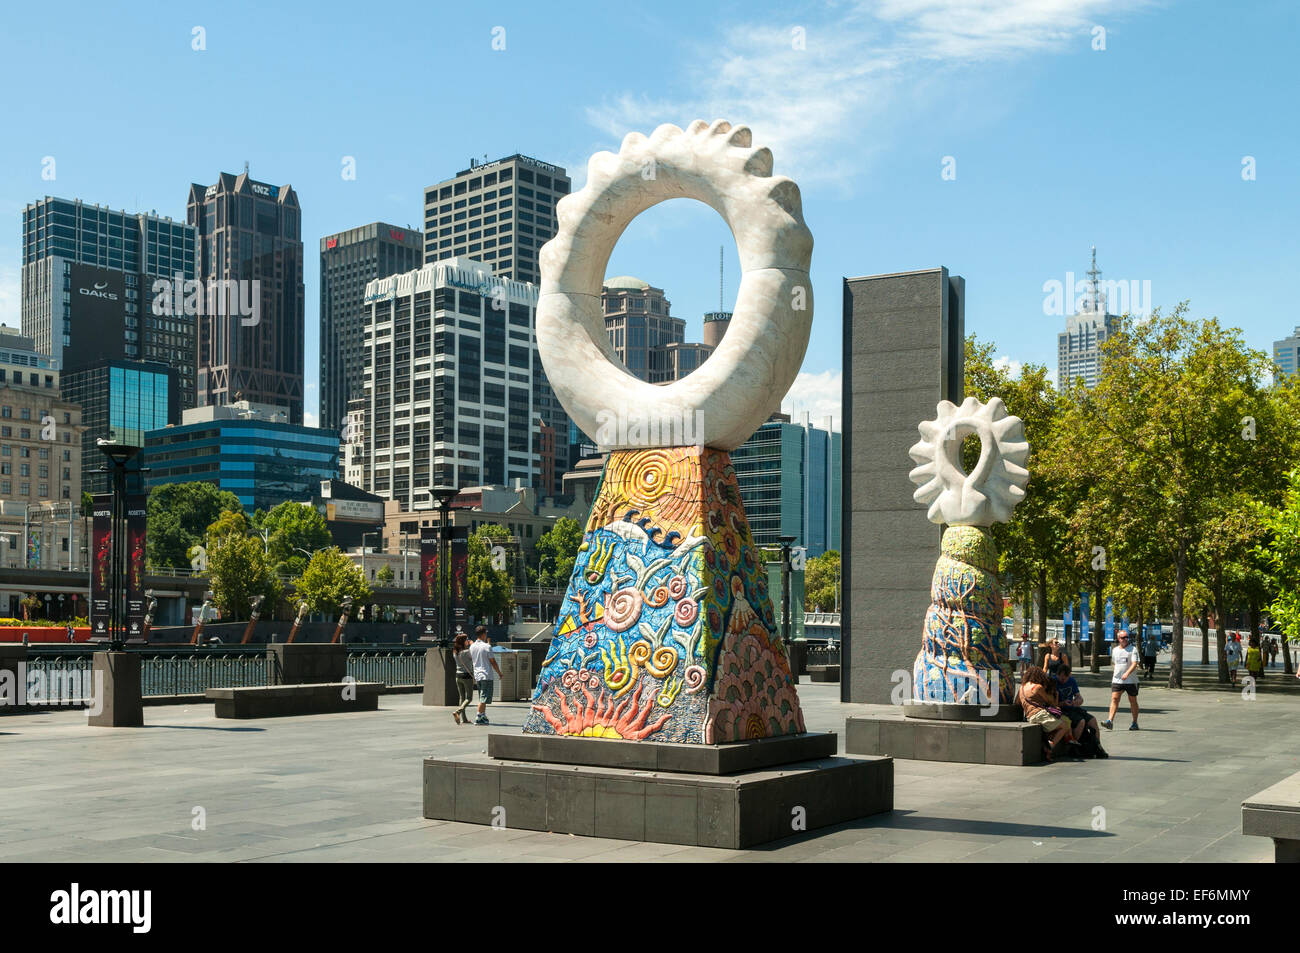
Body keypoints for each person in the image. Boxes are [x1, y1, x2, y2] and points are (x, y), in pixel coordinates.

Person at [1018, 664, 1074, 760]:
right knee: (1064, 726)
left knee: (1062, 723)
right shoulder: (1037, 687)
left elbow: (1017, 702)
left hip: (1029, 716)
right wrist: (1055, 694)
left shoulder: (1021, 688)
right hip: (1040, 714)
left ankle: (1049, 747)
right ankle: (1050, 746)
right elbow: (1050, 701)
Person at [1055, 661, 1108, 758]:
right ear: (1057, 675)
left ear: (1069, 676)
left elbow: (1079, 697)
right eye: (1061, 677)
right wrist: (1062, 703)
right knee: (1081, 721)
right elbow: (1051, 703)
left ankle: (1097, 747)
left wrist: (1077, 701)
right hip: (1061, 710)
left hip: (1072, 708)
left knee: (1092, 720)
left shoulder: (1072, 681)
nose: (1063, 680)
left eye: (1065, 678)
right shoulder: (1053, 682)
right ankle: (1074, 748)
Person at [1102, 629, 1141, 731]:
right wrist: (1116, 673)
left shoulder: (1133, 649)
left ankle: (1135, 722)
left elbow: (1134, 663)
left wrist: (1127, 673)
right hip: (1117, 680)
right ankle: (1109, 721)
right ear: (1118, 638)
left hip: (1131, 681)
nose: (1125, 639)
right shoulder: (1115, 650)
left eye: (1127, 637)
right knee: (1114, 698)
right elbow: (1114, 663)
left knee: (1132, 700)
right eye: (1123, 637)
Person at [469, 625, 503, 725]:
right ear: (484, 634)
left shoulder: (472, 646)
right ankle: (478, 716)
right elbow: (493, 662)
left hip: (477, 675)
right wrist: (499, 673)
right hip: (486, 675)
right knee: (483, 698)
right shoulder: (487, 647)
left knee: (482, 696)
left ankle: (483, 715)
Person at [451, 632, 475, 725]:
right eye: (466, 639)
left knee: (462, 698)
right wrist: (472, 645)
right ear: (463, 642)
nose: (468, 641)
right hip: (466, 676)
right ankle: (458, 711)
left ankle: (464, 719)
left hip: (458, 676)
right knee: (469, 698)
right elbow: (474, 656)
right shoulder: (466, 652)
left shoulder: (455, 652)